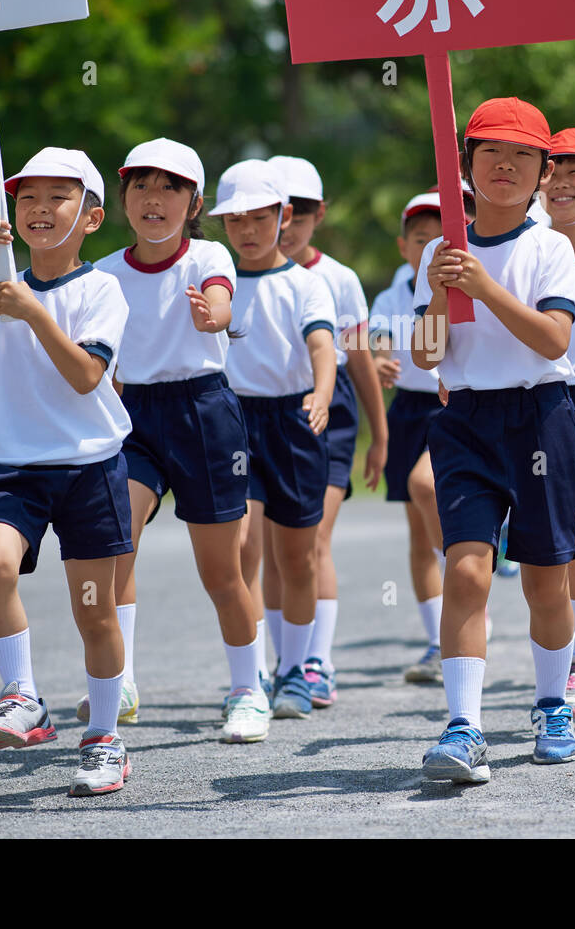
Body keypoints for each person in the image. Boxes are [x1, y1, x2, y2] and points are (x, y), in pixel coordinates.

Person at [0, 147, 133, 796]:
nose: (40, 209)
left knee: (94, 612)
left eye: (58, 197)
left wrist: (32, 311)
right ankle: (24, 695)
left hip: (90, 464)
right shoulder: (0, 286)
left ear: (93, 218)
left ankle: (105, 737)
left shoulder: (101, 289)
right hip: (15, 467)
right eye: (28, 199)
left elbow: (85, 376)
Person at [412, 96, 575, 784]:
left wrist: (482, 285)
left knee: (545, 577)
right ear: (466, 164)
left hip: (542, 416)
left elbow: (554, 338)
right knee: (467, 568)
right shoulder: (439, 248)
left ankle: (551, 704)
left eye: (522, 156)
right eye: (490, 153)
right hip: (465, 422)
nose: (505, 166)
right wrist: (436, 296)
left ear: (543, 171)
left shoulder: (549, 246)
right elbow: (427, 356)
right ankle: (463, 725)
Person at [88, 138, 267, 744]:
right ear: (123, 200)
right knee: (116, 545)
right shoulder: (106, 272)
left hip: (203, 411)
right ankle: (124, 677)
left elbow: (219, 301)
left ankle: (248, 689)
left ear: (193, 203)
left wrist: (211, 315)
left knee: (220, 572)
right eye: (140, 186)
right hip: (132, 413)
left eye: (169, 187)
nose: (153, 199)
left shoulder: (208, 256)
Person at [211, 159, 337, 719]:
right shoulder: (217, 282)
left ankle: (296, 668)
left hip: (293, 421)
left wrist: (323, 392)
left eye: (259, 217)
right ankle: (252, 671)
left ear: (283, 217)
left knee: (299, 558)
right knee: (239, 546)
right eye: (235, 220)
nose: (247, 229)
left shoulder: (306, 283)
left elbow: (321, 346)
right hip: (232, 420)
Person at [266, 154, 389, 707]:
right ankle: (283, 662)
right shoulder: (235, 273)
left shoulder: (337, 278)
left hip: (330, 410)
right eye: (279, 212)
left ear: (320, 213)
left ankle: (317, 659)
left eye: (303, 211)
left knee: (313, 537)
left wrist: (380, 434)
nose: (290, 224)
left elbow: (359, 357)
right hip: (262, 410)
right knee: (269, 547)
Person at [370, 191, 449, 683]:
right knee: (419, 534)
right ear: (403, 246)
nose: (428, 246)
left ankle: (477, 561)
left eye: (436, 236)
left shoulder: (461, 276)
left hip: (454, 402)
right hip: (409, 411)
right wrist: (379, 357)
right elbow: (376, 335)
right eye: (419, 238)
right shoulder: (392, 293)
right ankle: (438, 642)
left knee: (435, 494)